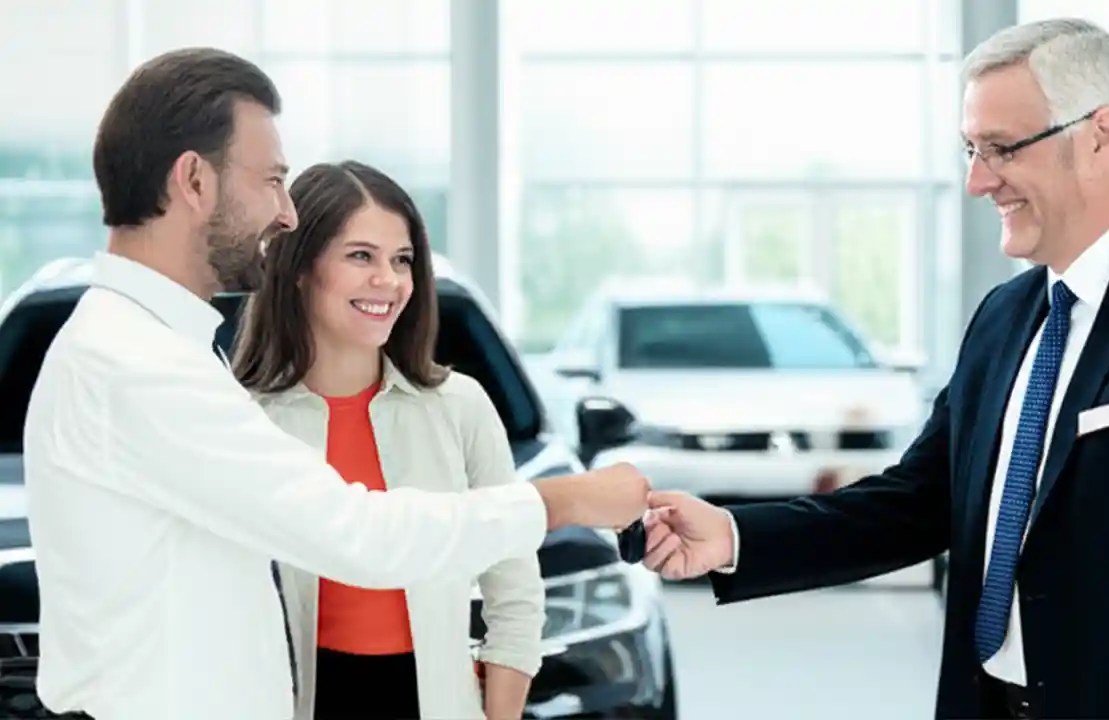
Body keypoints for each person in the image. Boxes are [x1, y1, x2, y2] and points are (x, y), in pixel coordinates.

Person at [643, 18, 1109, 720]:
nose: (979, 181)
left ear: (1102, 135)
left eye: (1003, 149)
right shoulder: (1006, 318)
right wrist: (733, 537)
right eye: (971, 149)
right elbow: (913, 505)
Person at [22, 47, 648, 720]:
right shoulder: (138, 367)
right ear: (194, 182)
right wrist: (570, 499)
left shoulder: (159, 351)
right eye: (270, 181)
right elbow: (361, 536)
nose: (286, 214)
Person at [231, 160, 541, 720]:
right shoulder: (244, 421)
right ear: (300, 267)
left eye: (402, 260)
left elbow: (514, 592)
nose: (390, 281)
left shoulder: (459, 406)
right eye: (361, 256)